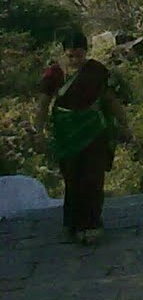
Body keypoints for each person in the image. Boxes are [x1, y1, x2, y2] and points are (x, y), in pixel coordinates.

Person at [34, 35, 133, 244]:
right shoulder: (54, 74)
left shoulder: (96, 71)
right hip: (66, 133)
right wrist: (39, 132)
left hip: (93, 129)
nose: (74, 61)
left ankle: (92, 223)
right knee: (72, 177)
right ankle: (73, 223)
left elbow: (109, 99)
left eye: (79, 56)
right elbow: (43, 104)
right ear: (64, 54)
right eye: (70, 56)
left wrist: (124, 124)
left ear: (86, 52)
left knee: (93, 176)